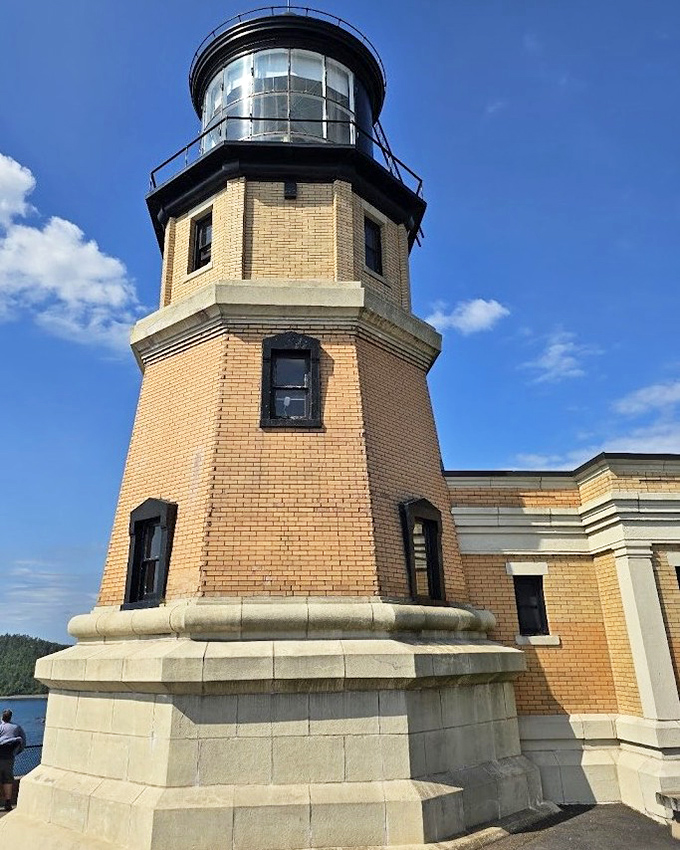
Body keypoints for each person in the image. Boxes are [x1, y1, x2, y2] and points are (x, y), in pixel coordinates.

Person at [0, 709, 26, 812]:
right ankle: (8, 803)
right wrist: (16, 753)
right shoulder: (17, 727)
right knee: (8, 780)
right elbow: (23, 742)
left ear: (3, 716)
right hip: (9, 758)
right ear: (10, 717)